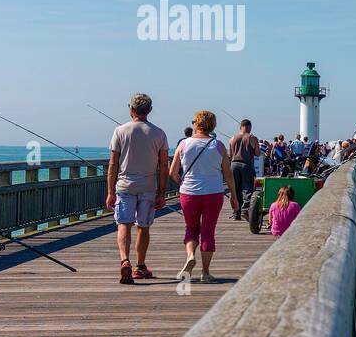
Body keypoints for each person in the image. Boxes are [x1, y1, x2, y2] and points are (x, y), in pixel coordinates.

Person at [169, 110, 238, 283]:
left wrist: (182, 184)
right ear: (212, 125)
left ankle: (191, 255)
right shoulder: (218, 145)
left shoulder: (184, 144)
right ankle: (205, 273)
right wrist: (234, 197)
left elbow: (172, 172)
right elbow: (228, 174)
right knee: (208, 231)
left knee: (191, 227)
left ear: (195, 124)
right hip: (213, 193)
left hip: (189, 194)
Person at [107, 93, 169, 284]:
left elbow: (113, 164)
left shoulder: (120, 131)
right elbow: (164, 165)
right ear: (149, 110)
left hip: (125, 185)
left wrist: (110, 192)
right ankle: (140, 266)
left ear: (131, 109)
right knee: (143, 226)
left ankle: (125, 260)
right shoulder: (159, 133)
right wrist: (161, 193)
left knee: (124, 223)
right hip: (148, 186)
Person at [227, 118, 260, 220]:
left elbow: (230, 155)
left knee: (235, 190)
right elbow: (257, 153)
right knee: (247, 189)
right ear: (249, 127)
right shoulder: (252, 138)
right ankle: (245, 211)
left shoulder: (232, 138)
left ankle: (236, 212)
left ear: (240, 127)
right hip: (246, 165)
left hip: (234, 165)